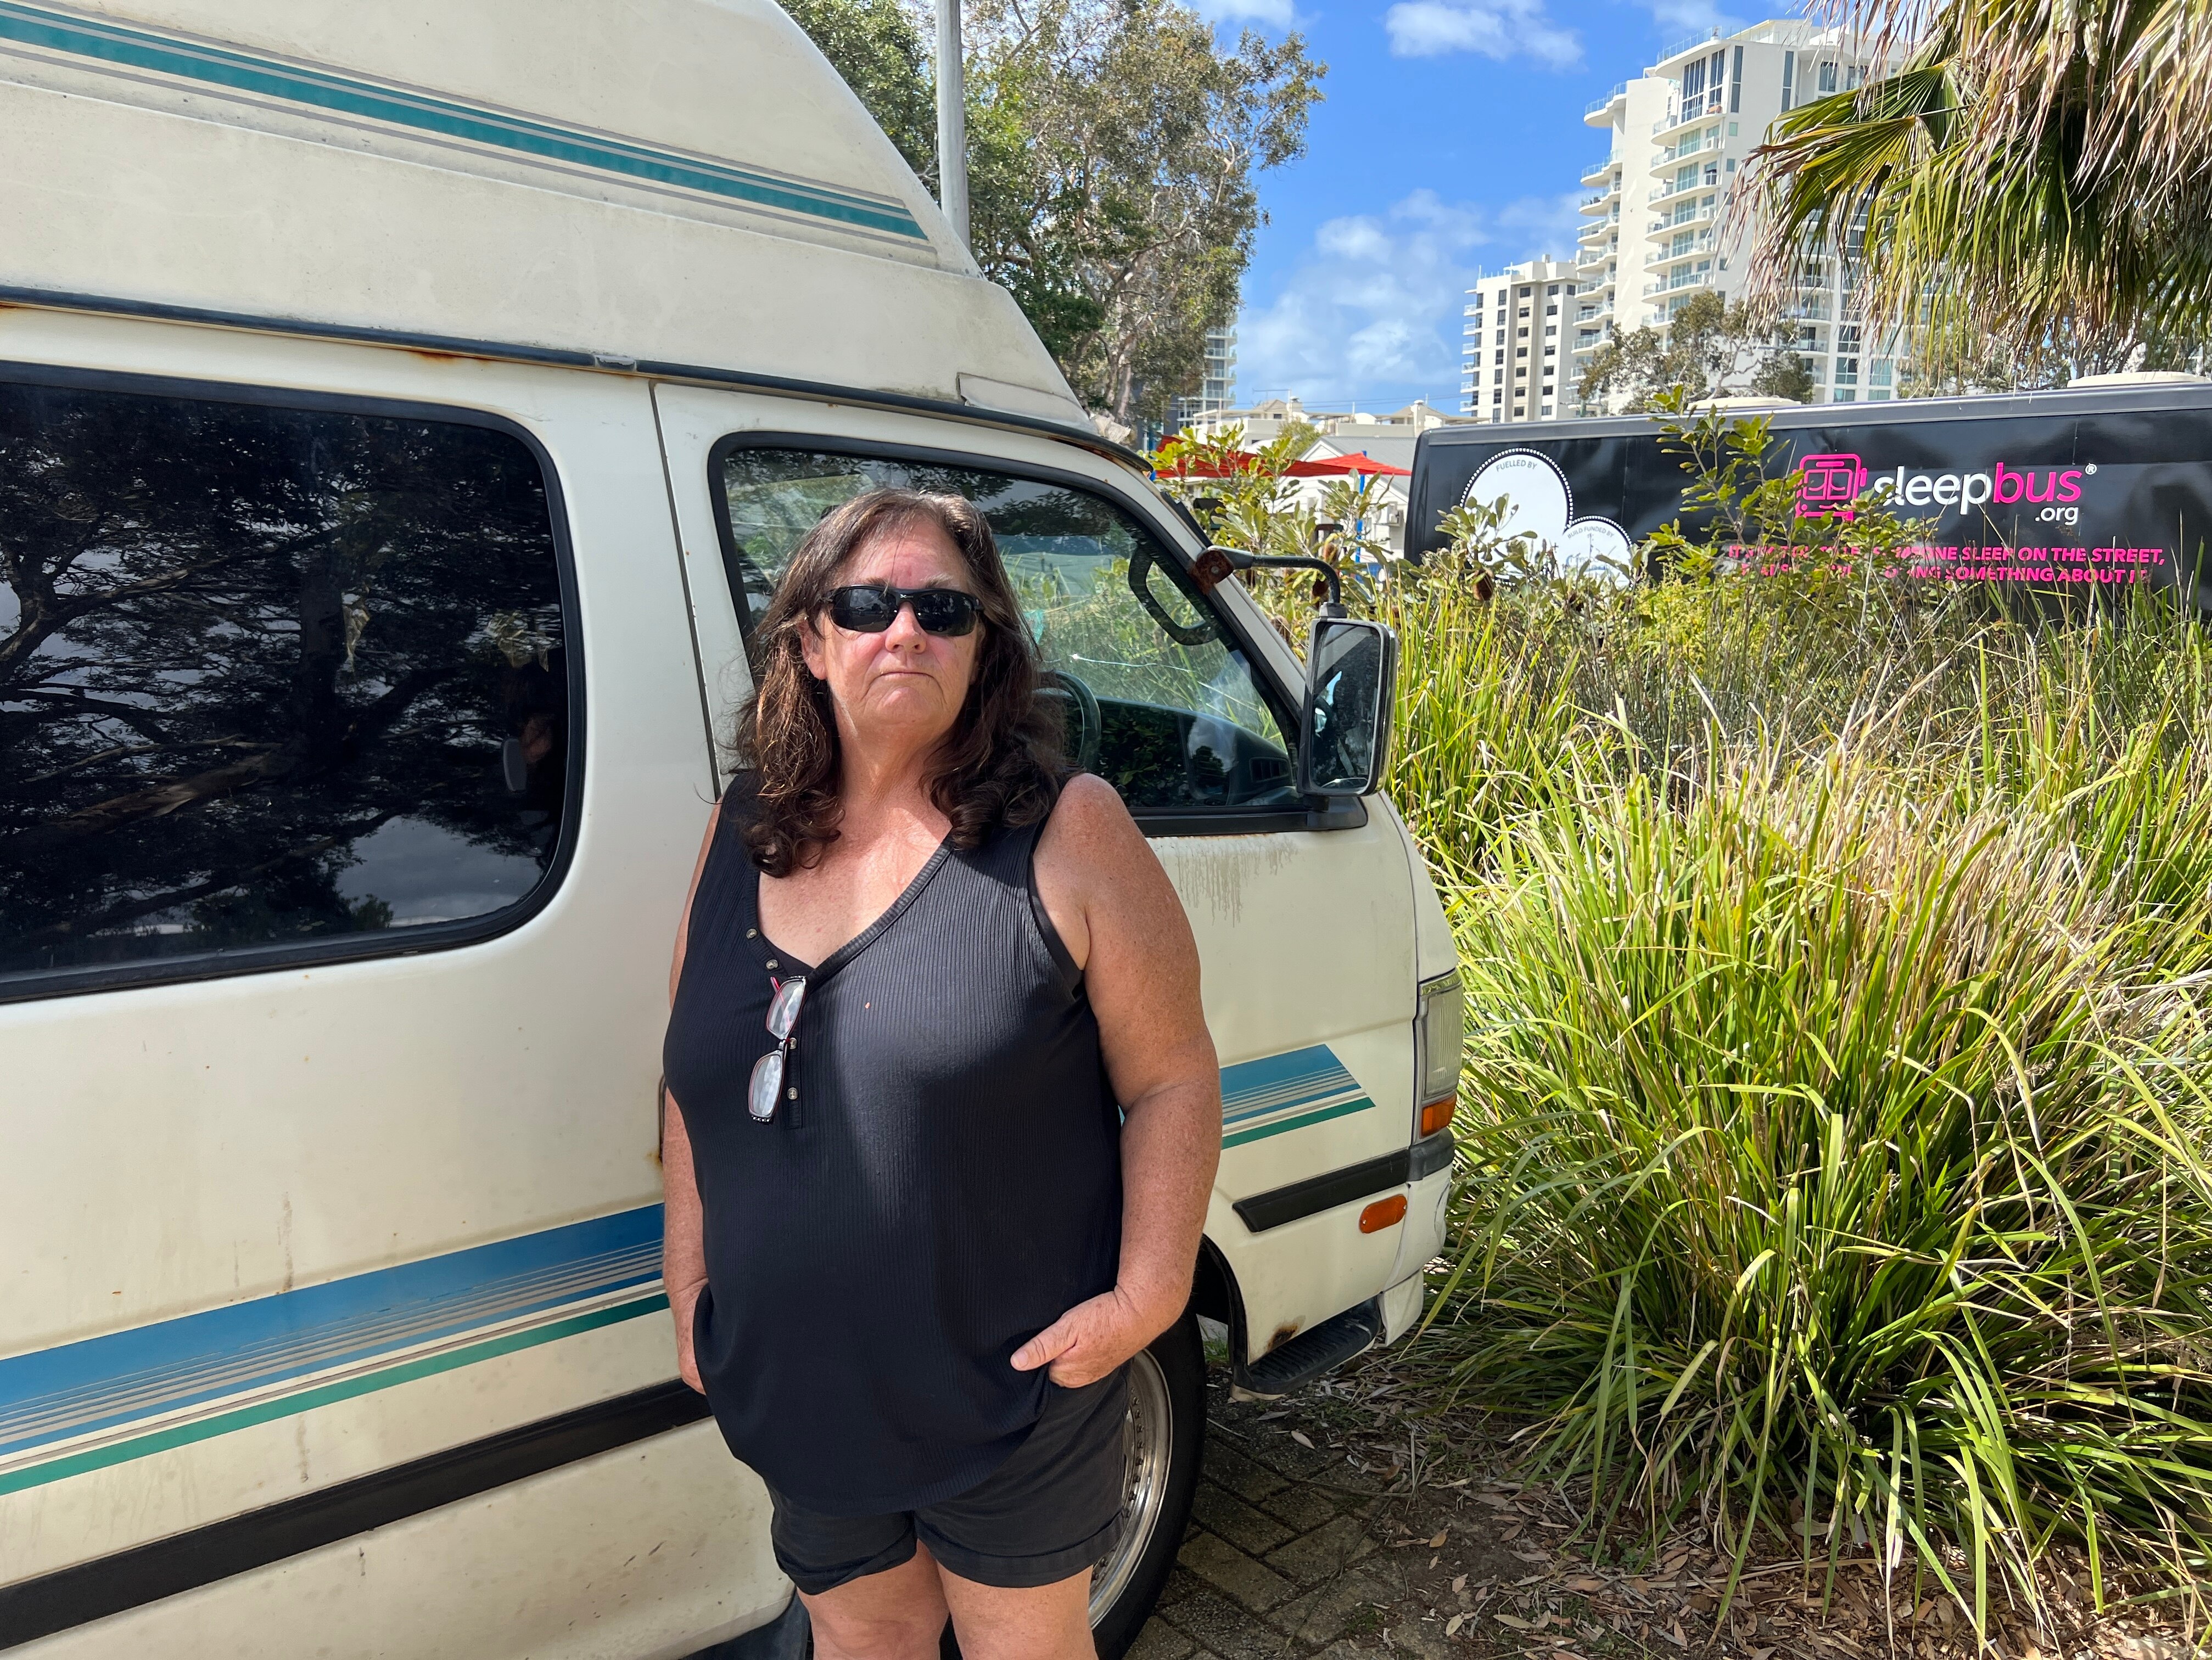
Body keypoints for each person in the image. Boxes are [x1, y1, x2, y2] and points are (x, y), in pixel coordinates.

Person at [660, 488, 1221, 1660]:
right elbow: (690, 1077)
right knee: (864, 1644)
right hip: (801, 1380)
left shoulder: (1068, 830)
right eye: (865, 604)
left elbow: (1171, 1074)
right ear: (810, 644)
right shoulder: (741, 827)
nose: (902, 629)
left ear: (986, 651)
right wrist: (690, 1285)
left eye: (941, 609)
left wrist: (1149, 1296)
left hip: (1010, 1385)